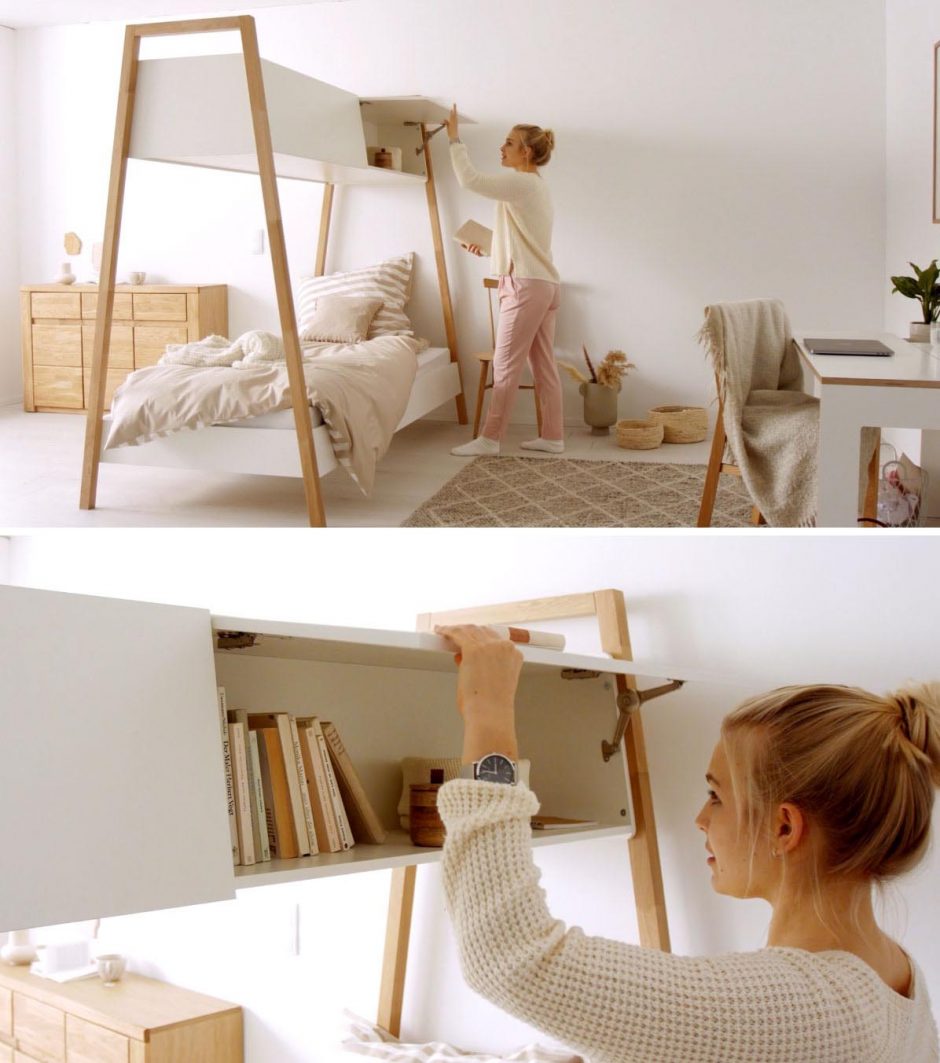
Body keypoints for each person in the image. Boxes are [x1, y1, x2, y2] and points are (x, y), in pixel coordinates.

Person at [433, 623, 940, 1063]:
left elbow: (513, 958)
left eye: (716, 796)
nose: (700, 819)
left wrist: (488, 714)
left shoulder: (811, 1012)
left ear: (784, 828)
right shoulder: (896, 974)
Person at [445, 106, 565, 457]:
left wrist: (454, 139)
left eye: (509, 143)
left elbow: (470, 180)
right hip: (543, 284)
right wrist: (487, 247)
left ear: (526, 152)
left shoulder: (520, 182)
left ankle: (490, 438)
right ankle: (553, 437)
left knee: (505, 363)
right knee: (544, 365)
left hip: (525, 286)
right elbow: (522, 239)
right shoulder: (535, 186)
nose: (501, 147)